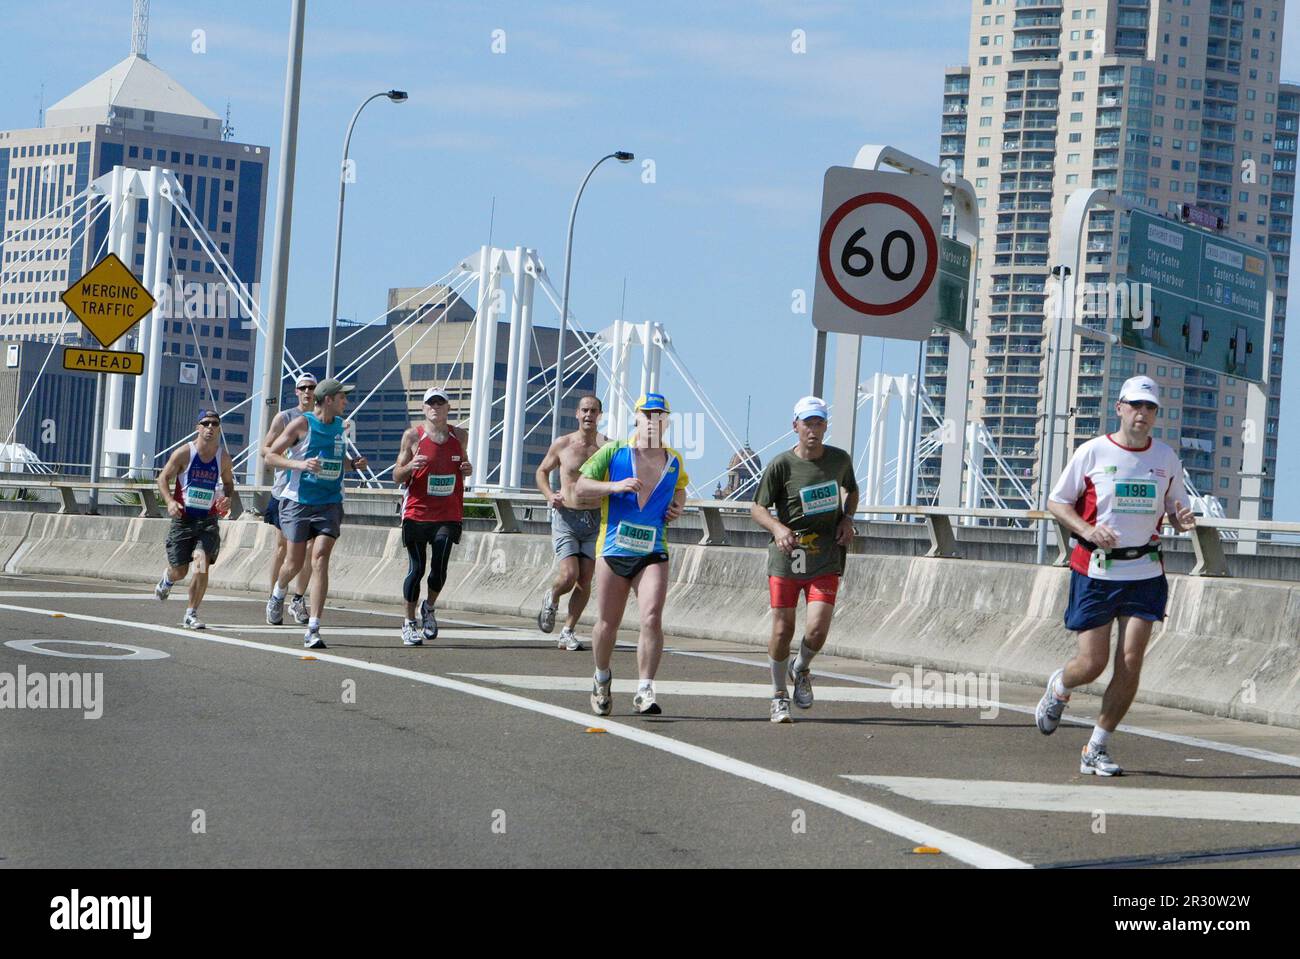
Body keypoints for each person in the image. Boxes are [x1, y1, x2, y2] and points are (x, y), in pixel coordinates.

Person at [1035, 375, 1197, 776]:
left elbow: (1176, 510)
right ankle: (1060, 687)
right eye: (1135, 406)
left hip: (1144, 571)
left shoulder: (1165, 458)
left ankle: (1096, 747)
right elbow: (1057, 502)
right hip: (1096, 570)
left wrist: (1183, 518)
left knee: (1130, 662)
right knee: (1092, 663)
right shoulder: (1092, 452)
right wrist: (1088, 530)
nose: (1142, 414)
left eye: (1150, 408)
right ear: (1120, 408)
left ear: (1156, 414)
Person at [575, 392, 688, 716]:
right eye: (646, 415)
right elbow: (580, 486)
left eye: (658, 416)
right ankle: (601, 677)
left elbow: (680, 486)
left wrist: (678, 505)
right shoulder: (614, 451)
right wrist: (614, 486)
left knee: (651, 617)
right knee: (607, 624)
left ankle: (645, 689)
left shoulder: (674, 459)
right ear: (636, 419)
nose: (652, 421)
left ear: (665, 421)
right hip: (613, 548)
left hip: (653, 549)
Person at [749, 396, 858, 724]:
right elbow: (757, 507)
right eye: (807, 423)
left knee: (818, 628)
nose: (813, 429)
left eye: (819, 422)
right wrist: (777, 527)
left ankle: (802, 667)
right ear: (795, 426)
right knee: (783, 629)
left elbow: (852, 490)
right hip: (788, 556)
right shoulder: (782, 464)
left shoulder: (839, 460)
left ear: (826, 426)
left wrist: (847, 519)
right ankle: (779, 694)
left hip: (825, 555)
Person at [263, 378, 369, 649]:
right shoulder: (302, 424)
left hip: (330, 503)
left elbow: (336, 462)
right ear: (329, 399)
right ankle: (278, 594)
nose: (346, 401)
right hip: (299, 501)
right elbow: (270, 456)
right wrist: (299, 463)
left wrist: (353, 465)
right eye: (342, 397)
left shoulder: (339, 427)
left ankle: (314, 627)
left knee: (320, 558)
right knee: (293, 564)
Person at [392, 387, 473, 646]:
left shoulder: (459, 435)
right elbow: (396, 475)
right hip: (417, 512)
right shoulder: (412, 437)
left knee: (439, 567)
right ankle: (408, 622)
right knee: (417, 568)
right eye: (430, 404)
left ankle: (429, 606)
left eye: (440, 403)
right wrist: (409, 466)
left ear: (448, 408)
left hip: (448, 513)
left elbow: (464, 464)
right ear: (424, 408)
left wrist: (467, 467)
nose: (435, 407)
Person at [535, 394, 608, 651]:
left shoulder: (607, 448)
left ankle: (567, 630)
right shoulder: (563, 444)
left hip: (595, 520)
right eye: (585, 410)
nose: (589, 415)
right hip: (566, 516)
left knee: (585, 579)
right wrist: (549, 494)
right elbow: (542, 471)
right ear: (577, 414)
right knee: (569, 574)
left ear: (600, 415)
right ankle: (552, 595)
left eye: (594, 411)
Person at [154, 409, 237, 630]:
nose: (210, 427)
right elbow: (163, 478)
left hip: (208, 520)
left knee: (201, 564)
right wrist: (170, 501)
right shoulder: (184, 453)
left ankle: (191, 613)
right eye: (206, 423)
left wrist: (227, 499)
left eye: (215, 424)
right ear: (198, 427)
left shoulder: (223, 458)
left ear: (219, 428)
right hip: (184, 519)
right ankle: (168, 579)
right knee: (180, 571)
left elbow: (228, 484)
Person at [260, 371, 316, 625]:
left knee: (311, 551)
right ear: (296, 391)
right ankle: (275, 599)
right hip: (284, 492)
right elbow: (266, 449)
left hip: (314, 494)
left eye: (311, 388)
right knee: (283, 548)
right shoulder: (285, 417)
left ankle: (297, 599)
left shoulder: (323, 419)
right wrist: (291, 458)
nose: (307, 392)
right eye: (303, 388)